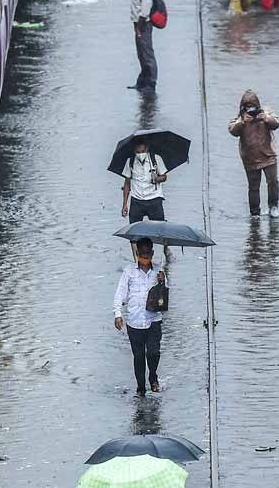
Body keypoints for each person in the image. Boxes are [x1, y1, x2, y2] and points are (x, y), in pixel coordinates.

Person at [113, 238, 166, 395]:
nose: (145, 258)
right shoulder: (129, 272)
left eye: (148, 254)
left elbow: (163, 298)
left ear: (152, 253)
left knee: (153, 352)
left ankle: (153, 377)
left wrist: (162, 283)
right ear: (136, 254)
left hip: (153, 321)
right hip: (134, 322)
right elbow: (120, 293)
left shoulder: (158, 271)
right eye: (142, 254)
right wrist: (118, 314)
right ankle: (141, 386)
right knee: (138, 356)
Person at [103, 0, 158, 91]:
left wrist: (139, 29)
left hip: (143, 26)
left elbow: (144, 13)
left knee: (148, 55)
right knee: (141, 55)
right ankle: (143, 81)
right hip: (138, 26)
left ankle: (151, 83)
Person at [228, 89, 279, 216]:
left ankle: (273, 208)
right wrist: (242, 122)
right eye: (248, 107)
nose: (251, 110)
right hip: (250, 159)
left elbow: (276, 123)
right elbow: (232, 130)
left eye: (253, 107)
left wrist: (265, 118)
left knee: (273, 182)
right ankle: (255, 212)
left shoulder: (266, 113)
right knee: (253, 187)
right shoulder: (239, 119)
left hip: (268, 156)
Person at [121, 139, 168, 223]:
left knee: (159, 229)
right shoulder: (130, 162)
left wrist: (157, 178)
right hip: (136, 200)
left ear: (147, 149)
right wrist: (125, 204)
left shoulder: (156, 159)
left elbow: (164, 177)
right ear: (134, 151)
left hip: (154, 199)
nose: (140, 154)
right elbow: (127, 183)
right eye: (138, 152)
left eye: (142, 151)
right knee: (134, 229)